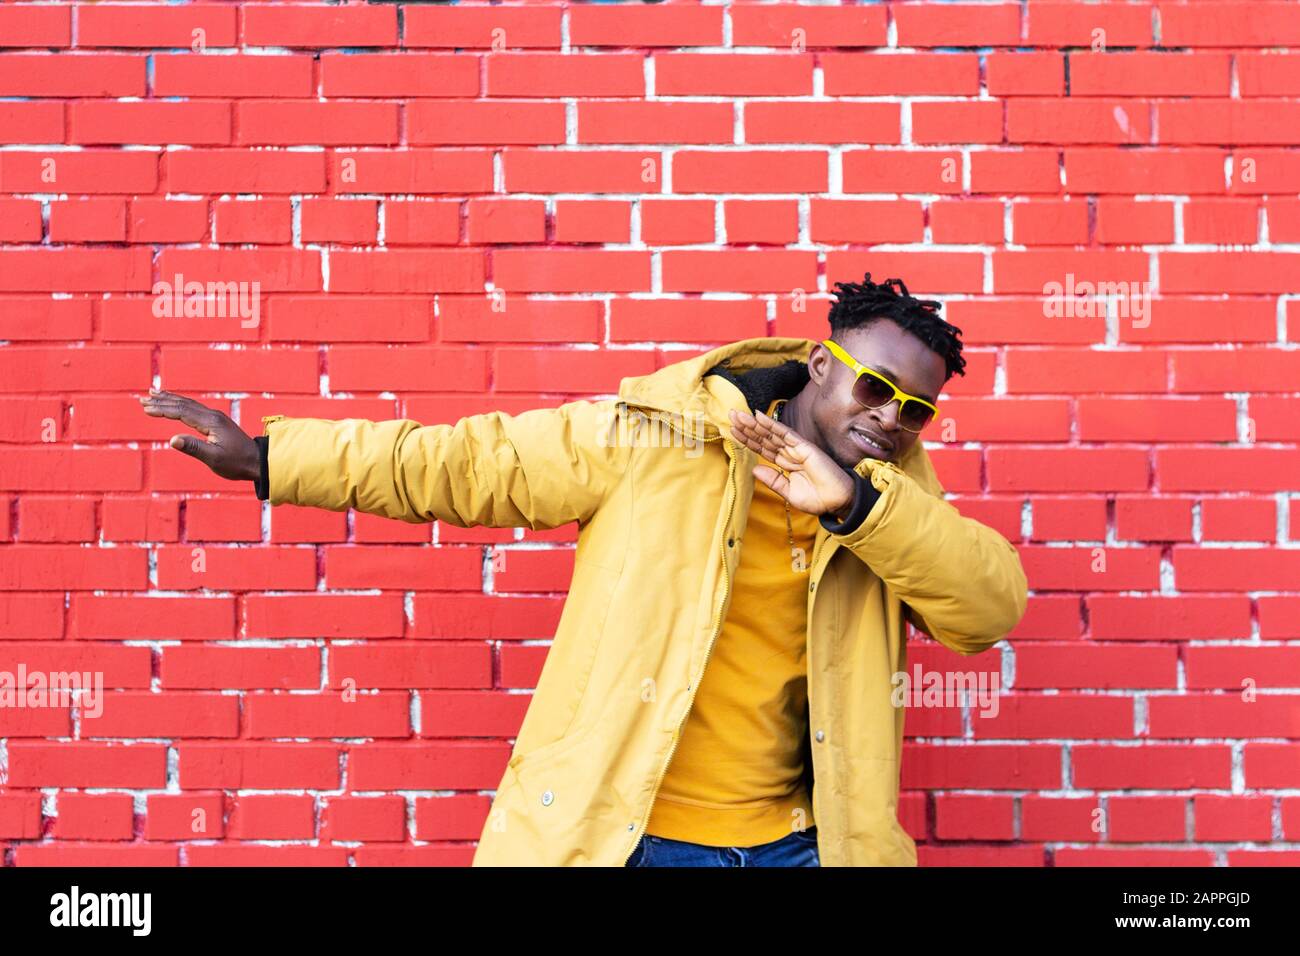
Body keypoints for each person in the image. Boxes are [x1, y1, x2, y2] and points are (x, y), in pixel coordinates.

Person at [139, 272, 1028, 867]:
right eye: (876, 387)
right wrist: (269, 458)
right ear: (823, 364)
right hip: (623, 838)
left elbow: (987, 609)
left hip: (800, 847)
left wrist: (853, 507)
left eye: (917, 410)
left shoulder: (892, 495)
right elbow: (466, 465)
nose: (891, 418)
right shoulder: (658, 434)